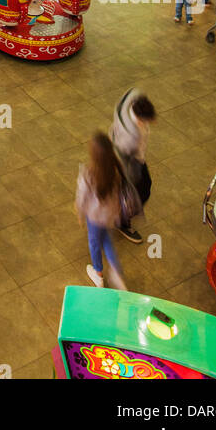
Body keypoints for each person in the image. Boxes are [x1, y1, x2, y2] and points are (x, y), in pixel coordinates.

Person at [75, 132, 127, 290]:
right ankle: (117, 272)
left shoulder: (88, 174)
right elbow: (119, 195)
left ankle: (98, 274)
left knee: (94, 243)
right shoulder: (116, 169)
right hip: (110, 215)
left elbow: (82, 197)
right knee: (107, 241)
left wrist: (79, 213)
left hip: (94, 217)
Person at [110, 90, 156, 245]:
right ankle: (122, 222)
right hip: (129, 161)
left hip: (124, 153)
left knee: (140, 188)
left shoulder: (130, 98)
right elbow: (125, 159)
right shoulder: (131, 135)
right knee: (140, 190)